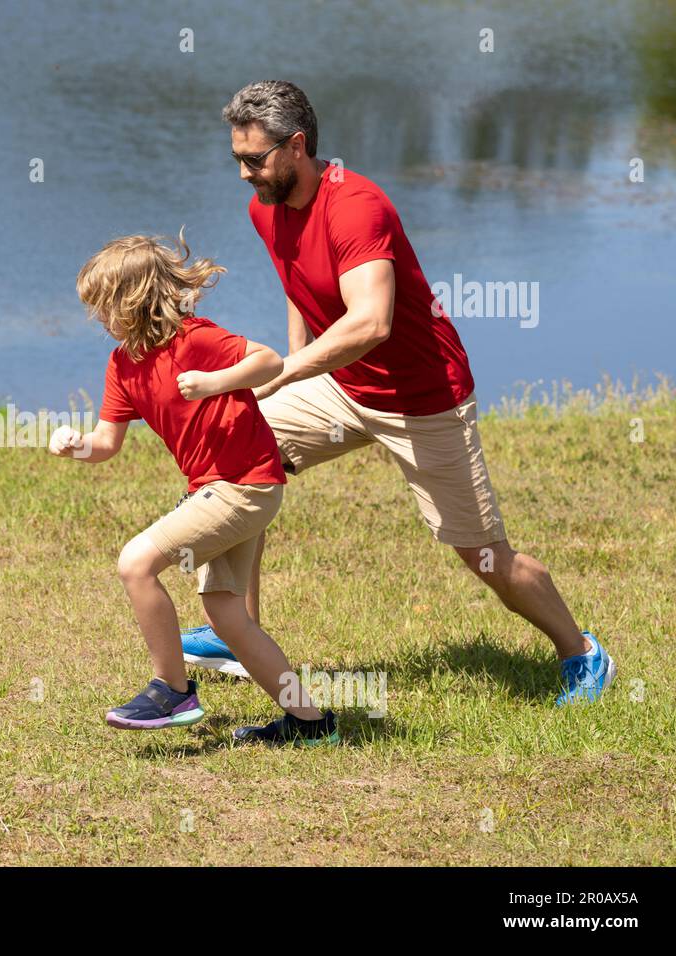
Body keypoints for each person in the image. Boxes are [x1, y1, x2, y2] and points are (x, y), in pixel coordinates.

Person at [181, 81, 613, 707]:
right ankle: (239, 632)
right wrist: (296, 370)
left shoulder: (357, 205)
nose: (245, 173)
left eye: (256, 159)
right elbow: (297, 285)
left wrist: (287, 370)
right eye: (237, 160)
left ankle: (582, 653)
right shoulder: (266, 207)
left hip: (423, 396)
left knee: (484, 555)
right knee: (236, 461)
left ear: (297, 146)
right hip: (339, 384)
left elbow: (371, 321)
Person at [48, 230, 339, 745]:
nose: (99, 319)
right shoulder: (123, 364)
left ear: (134, 300)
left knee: (136, 562)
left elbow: (270, 360)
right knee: (228, 615)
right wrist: (76, 446)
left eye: (103, 306)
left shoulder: (197, 339)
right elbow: (106, 443)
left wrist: (214, 382)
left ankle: (172, 691)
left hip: (244, 485)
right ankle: (310, 724)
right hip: (222, 487)